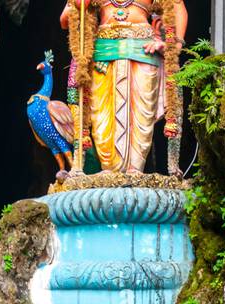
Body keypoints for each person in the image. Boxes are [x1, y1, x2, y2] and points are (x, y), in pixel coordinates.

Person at [60, 0, 188, 174]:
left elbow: (176, 5)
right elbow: (64, 21)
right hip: (103, 53)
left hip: (143, 51)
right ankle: (109, 170)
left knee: (141, 117)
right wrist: (78, 5)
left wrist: (174, 46)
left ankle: (135, 169)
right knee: (101, 116)